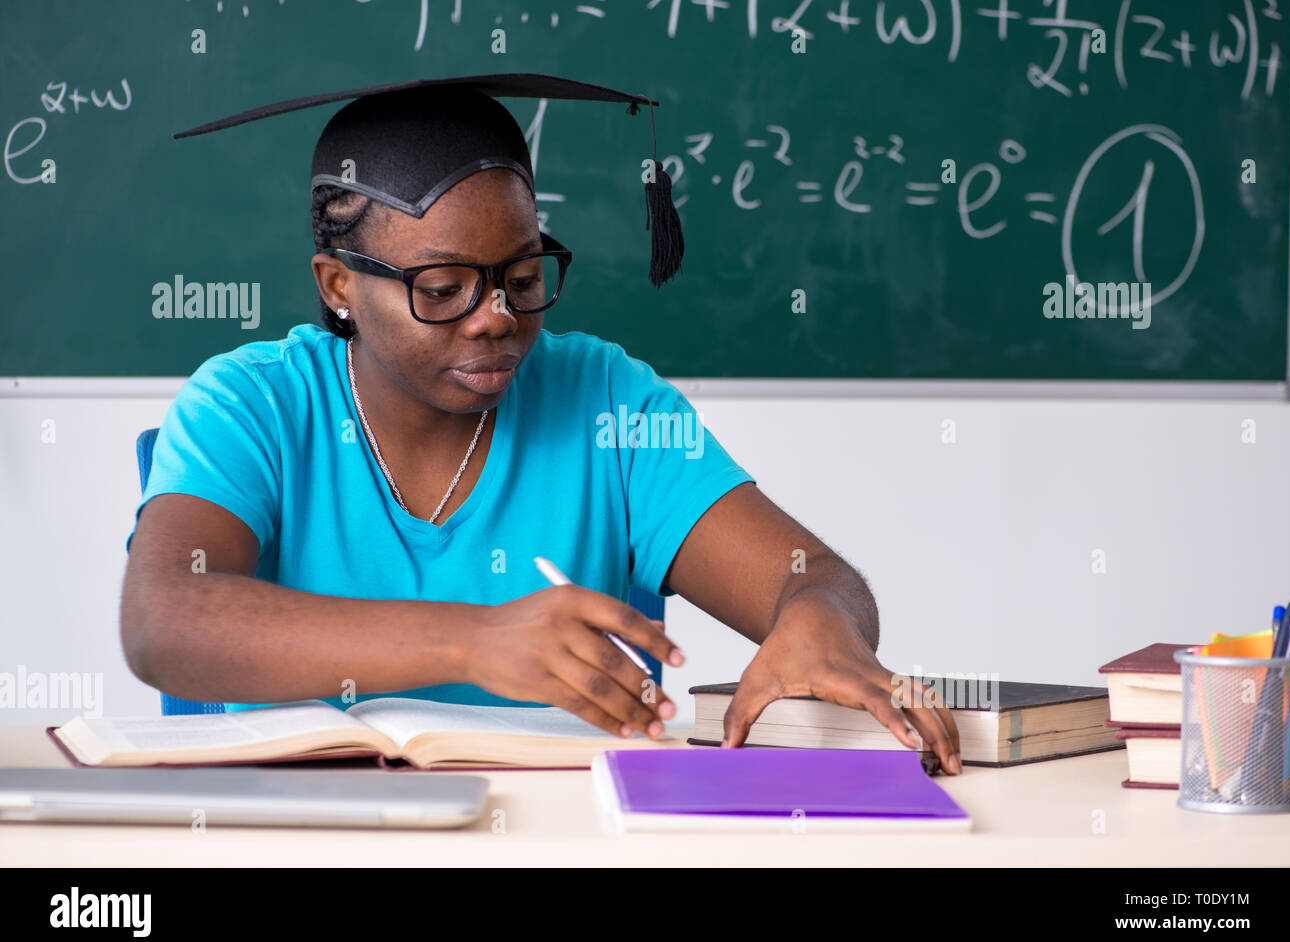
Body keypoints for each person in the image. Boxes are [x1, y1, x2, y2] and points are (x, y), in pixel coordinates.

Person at [120, 74, 960, 773]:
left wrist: (821, 620)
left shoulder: (606, 400)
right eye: (442, 288)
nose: (495, 317)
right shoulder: (251, 404)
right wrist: (473, 642)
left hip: (558, 841)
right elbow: (165, 618)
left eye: (522, 277)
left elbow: (811, 576)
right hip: (309, 837)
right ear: (338, 286)